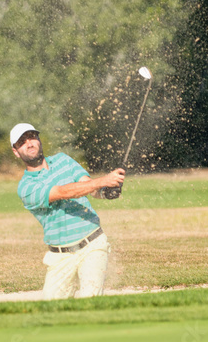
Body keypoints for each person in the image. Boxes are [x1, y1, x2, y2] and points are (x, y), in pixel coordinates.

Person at [10, 122, 125, 301]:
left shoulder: (63, 160)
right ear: (16, 151)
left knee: (90, 301)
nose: (30, 143)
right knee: (52, 308)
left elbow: (89, 187)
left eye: (32, 137)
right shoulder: (26, 187)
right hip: (60, 256)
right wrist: (103, 180)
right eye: (22, 142)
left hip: (93, 243)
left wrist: (107, 191)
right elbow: (63, 192)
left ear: (39, 140)